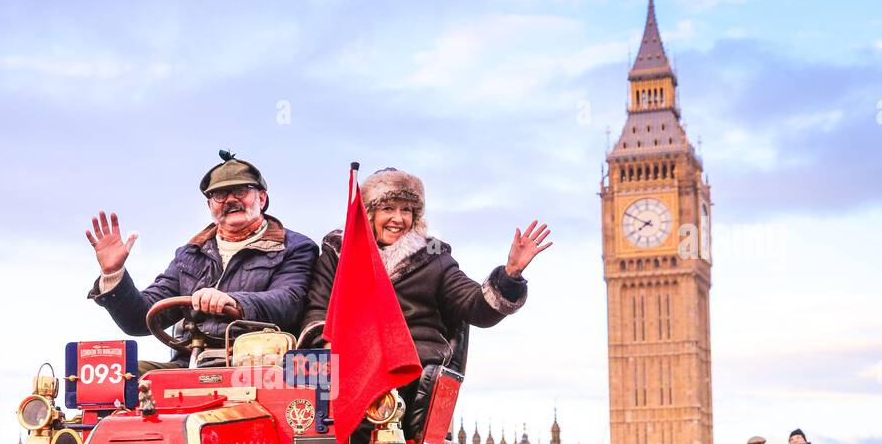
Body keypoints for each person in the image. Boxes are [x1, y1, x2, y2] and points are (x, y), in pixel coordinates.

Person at [300, 167, 548, 373]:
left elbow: (475, 306)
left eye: (406, 210)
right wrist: (339, 356)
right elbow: (317, 315)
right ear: (369, 214)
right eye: (388, 208)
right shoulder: (337, 256)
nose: (398, 218)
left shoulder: (433, 259)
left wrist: (510, 275)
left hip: (412, 363)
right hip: (347, 365)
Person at [85, 151, 318, 370]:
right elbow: (141, 319)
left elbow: (288, 302)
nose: (230, 201)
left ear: (262, 198)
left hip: (260, 366)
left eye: (241, 191)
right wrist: (114, 274)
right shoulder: (189, 255)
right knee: (125, 376)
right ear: (210, 205)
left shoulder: (295, 248)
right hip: (190, 364)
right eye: (219, 194)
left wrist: (233, 301)